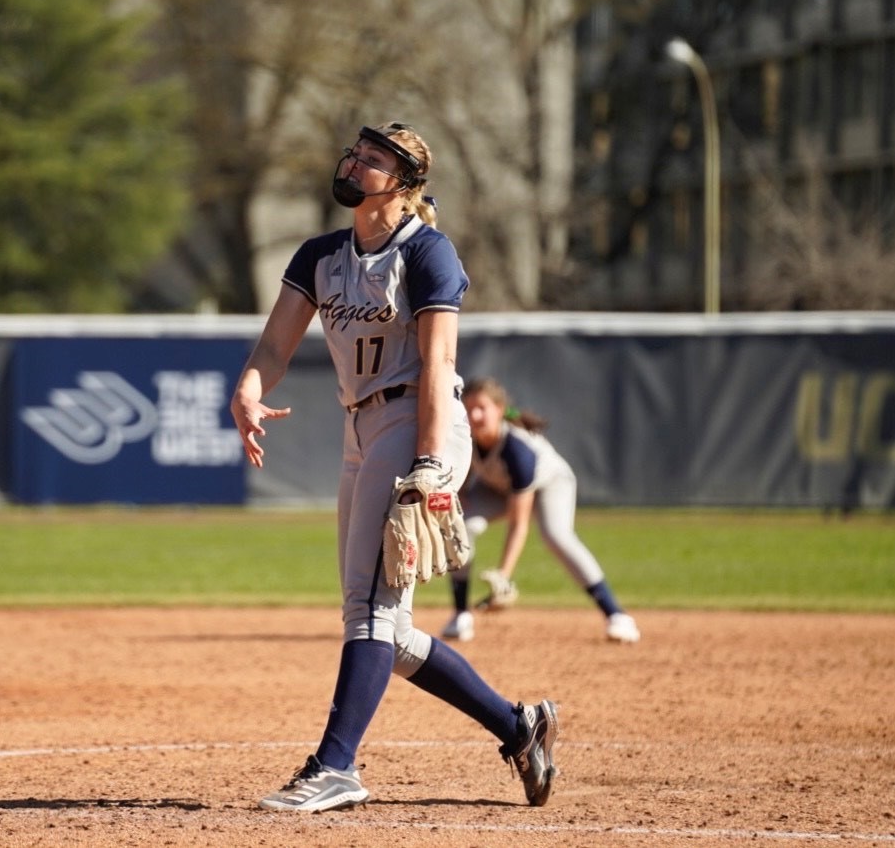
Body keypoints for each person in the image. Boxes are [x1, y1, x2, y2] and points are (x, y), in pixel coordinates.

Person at [229, 121, 558, 813]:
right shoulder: (322, 255)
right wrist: (249, 389)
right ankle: (518, 726)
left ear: (405, 186)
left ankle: (335, 764)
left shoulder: (426, 253)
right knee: (387, 623)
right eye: (355, 151)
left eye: (373, 159)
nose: (354, 162)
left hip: (418, 420)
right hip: (362, 428)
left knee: (371, 608)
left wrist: (431, 466)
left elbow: (438, 368)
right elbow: (274, 347)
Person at [439, 376, 639, 644]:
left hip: (551, 484)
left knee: (557, 536)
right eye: (469, 407)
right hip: (497, 487)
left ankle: (617, 616)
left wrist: (504, 575)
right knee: (461, 527)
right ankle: (461, 615)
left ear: (499, 410)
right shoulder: (465, 437)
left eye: (482, 407)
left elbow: (518, 523)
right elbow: (459, 478)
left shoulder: (518, 451)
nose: (475, 415)